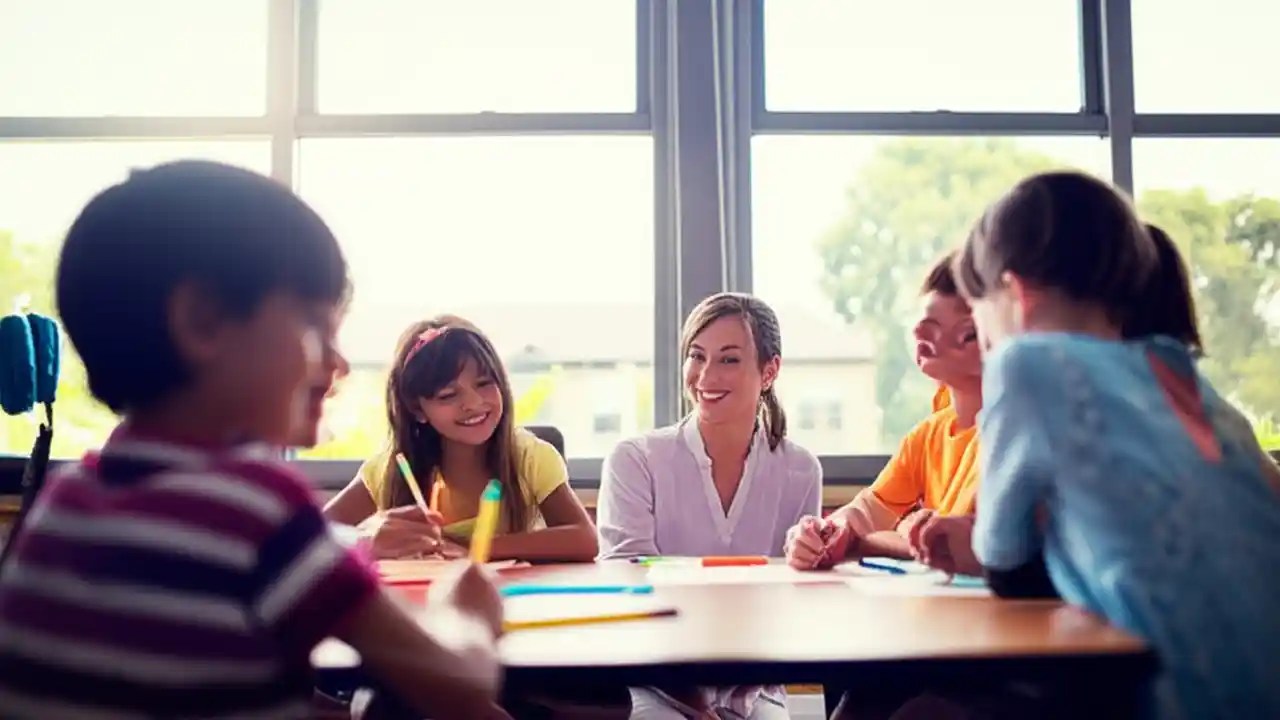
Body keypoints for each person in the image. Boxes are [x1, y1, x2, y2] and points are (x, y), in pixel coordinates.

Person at [0, 161, 502, 719]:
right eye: (316, 327)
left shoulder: (64, 502)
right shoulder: (258, 509)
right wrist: (466, 611)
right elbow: (457, 683)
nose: (337, 363)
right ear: (203, 321)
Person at [917, 171, 1280, 718]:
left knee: (922, 706)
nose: (983, 339)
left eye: (978, 314)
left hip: (1165, 694)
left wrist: (985, 542)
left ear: (1015, 293)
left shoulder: (1026, 362)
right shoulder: (1174, 370)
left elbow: (1004, 560)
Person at [597, 292, 822, 719]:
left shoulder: (800, 470)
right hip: (655, 680)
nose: (705, 375)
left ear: (769, 371)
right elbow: (626, 587)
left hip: (755, 684)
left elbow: (792, 601)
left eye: (729, 359)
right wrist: (696, 703)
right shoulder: (635, 460)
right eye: (696, 356)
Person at [324, 315, 597, 562]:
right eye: (448, 395)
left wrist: (475, 549)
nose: (474, 403)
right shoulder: (388, 470)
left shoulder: (529, 456)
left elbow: (585, 539)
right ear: (417, 409)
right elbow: (313, 539)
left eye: (484, 383)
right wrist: (367, 538)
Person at [786, 251, 981, 569]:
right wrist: (823, 534)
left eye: (966, 332)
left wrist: (872, 539)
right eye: (923, 324)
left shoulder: (1013, 434)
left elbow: (947, 546)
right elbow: (867, 512)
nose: (919, 333)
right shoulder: (926, 436)